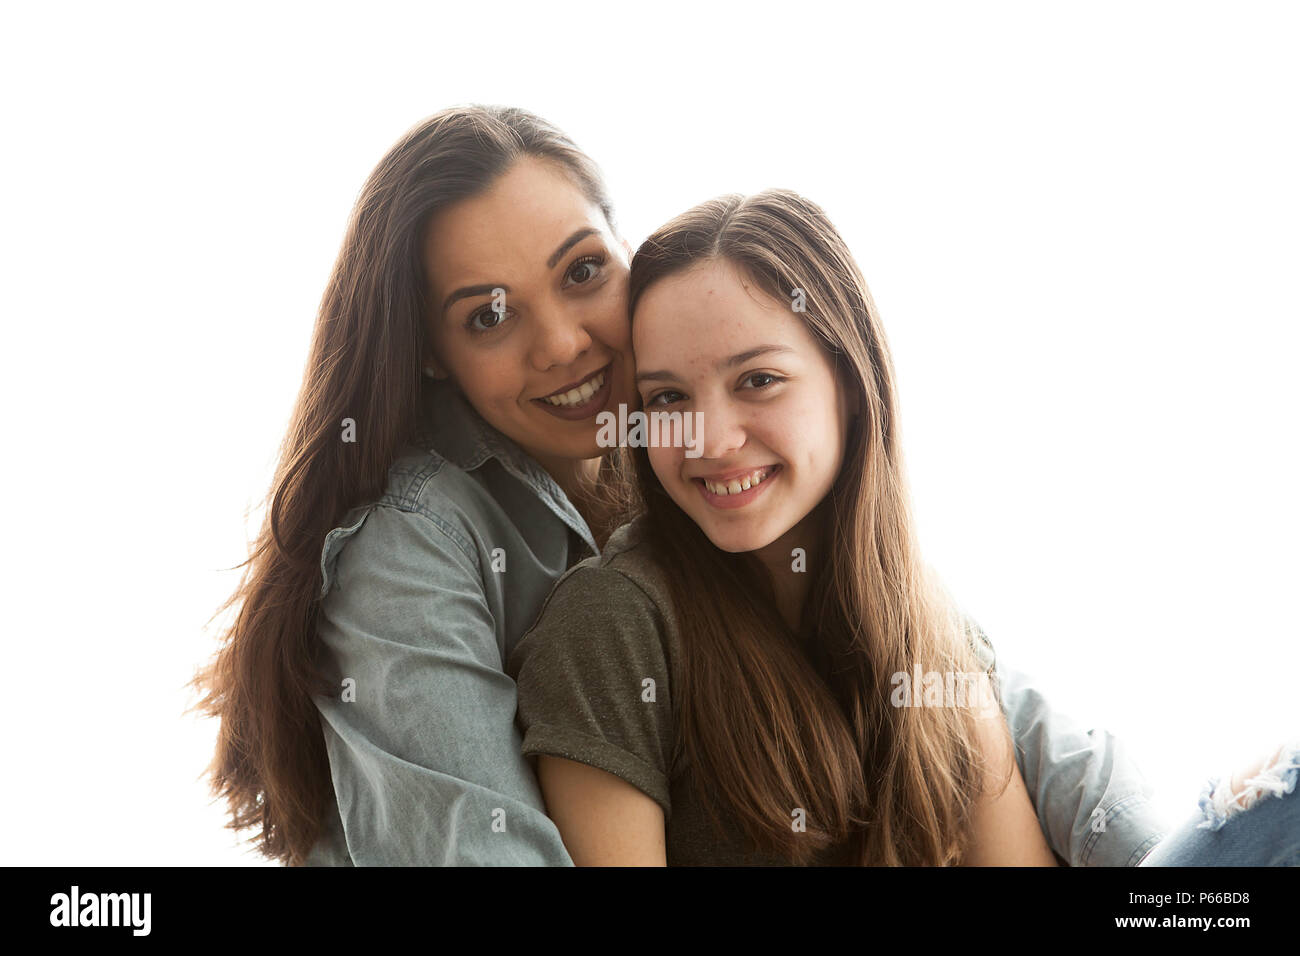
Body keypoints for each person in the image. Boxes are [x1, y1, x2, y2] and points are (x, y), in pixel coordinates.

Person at [193, 106, 1172, 866]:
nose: (564, 341)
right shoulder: (416, 546)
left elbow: (1011, 719)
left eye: (581, 271)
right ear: (432, 355)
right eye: (487, 316)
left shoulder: (694, 470)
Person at [508, 188, 1300, 865]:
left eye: (758, 380)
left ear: (850, 386)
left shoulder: (919, 617)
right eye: (668, 398)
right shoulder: (614, 623)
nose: (710, 441)